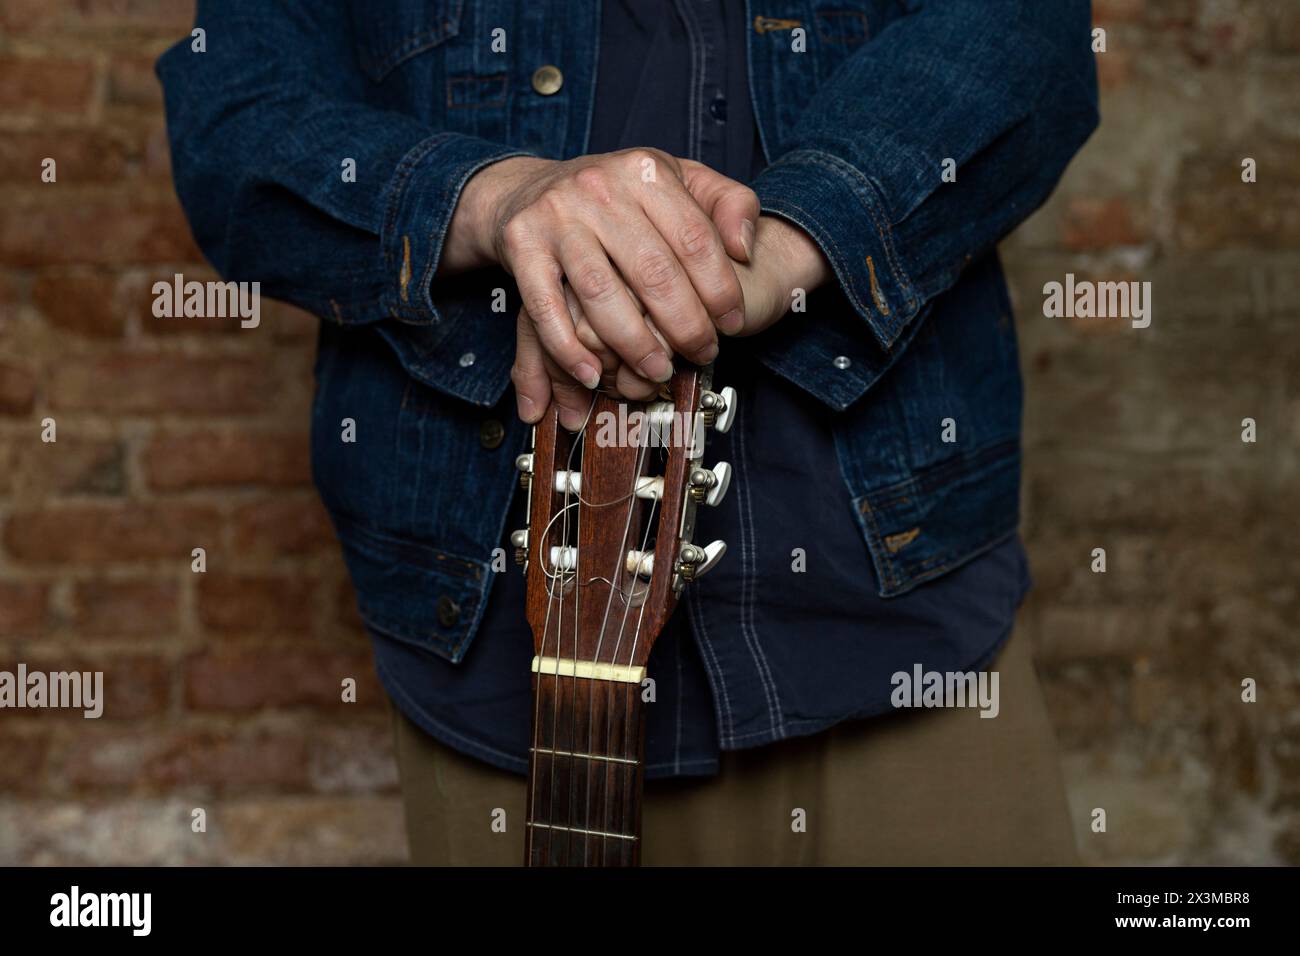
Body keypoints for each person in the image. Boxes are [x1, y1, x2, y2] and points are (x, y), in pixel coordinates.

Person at [158, 0, 1099, 865]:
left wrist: (789, 242)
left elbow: (1030, 31)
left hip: (893, 620)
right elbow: (232, 113)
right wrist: (495, 199)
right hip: (492, 658)